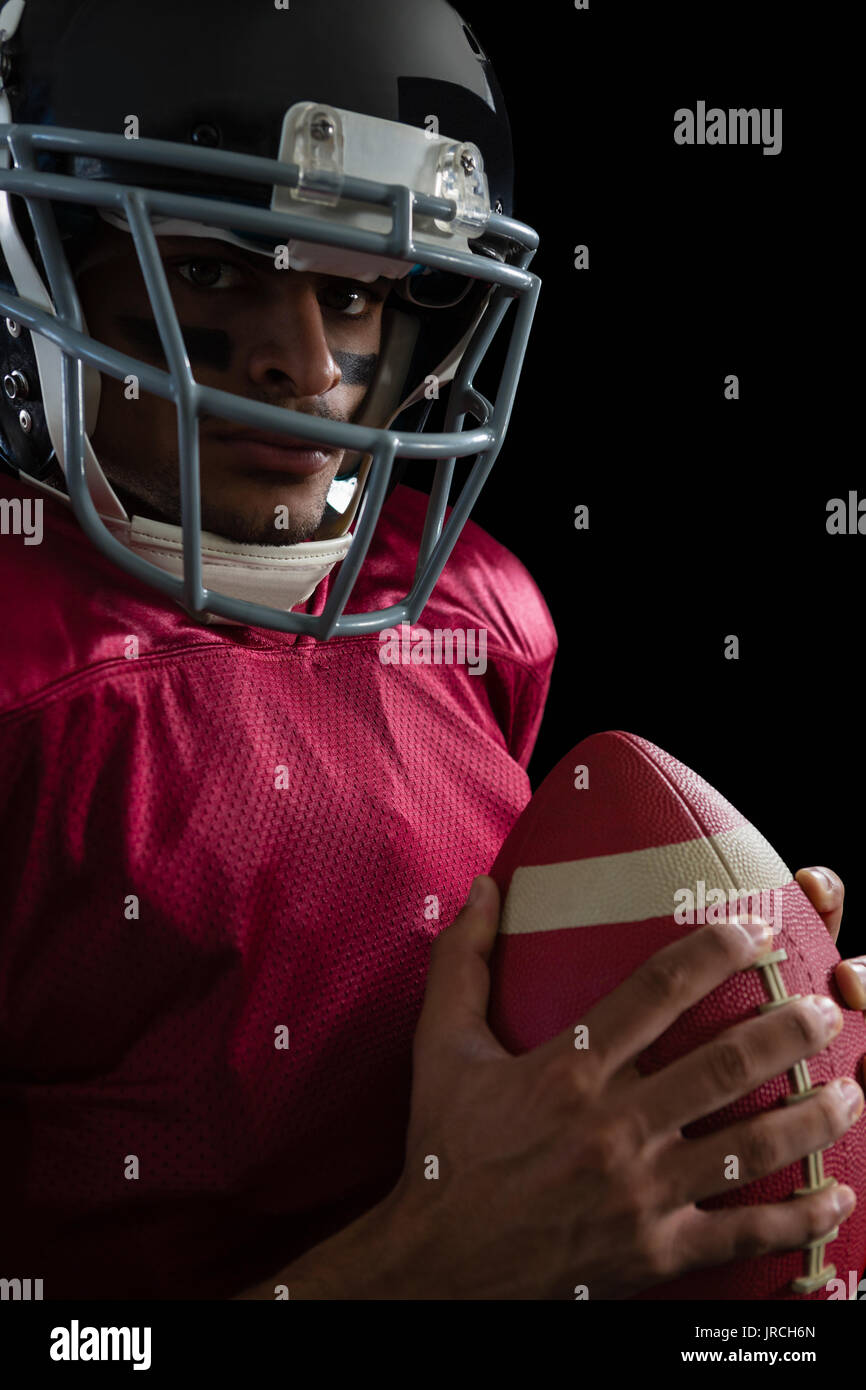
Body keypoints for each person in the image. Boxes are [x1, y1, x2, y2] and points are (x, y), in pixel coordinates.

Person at [0, 0, 862, 1301]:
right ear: (36, 263)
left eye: (350, 288)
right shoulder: (27, 687)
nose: (304, 360)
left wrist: (674, 1005)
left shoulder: (464, 606)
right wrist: (419, 1269)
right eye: (214, 271)